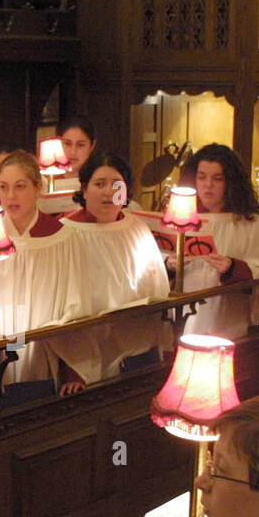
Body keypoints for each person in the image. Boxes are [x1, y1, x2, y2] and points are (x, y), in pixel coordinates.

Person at [0, 150, 93, 391]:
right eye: (3, 187)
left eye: (20, 186)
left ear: (38, 187)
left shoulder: (62, 239)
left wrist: (71, 370)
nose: (11, 196)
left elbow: (76, 304)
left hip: (45, 353)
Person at [60, 152, 172, 380]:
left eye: (117, 185)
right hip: (87, 339)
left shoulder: (137, 228)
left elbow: (157, 283)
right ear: (84, 189)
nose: (109, 192)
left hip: (136, 336)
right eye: (99, 184)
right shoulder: (66, 233)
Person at [179, 144, 259, 340]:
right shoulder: (181, 219)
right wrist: (171, 264)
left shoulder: (249, 224)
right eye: (201, 177)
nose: (207, 185)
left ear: (231, 182)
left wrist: (234, 269)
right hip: (185, 321)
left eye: (217, 178)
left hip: (228, 322)